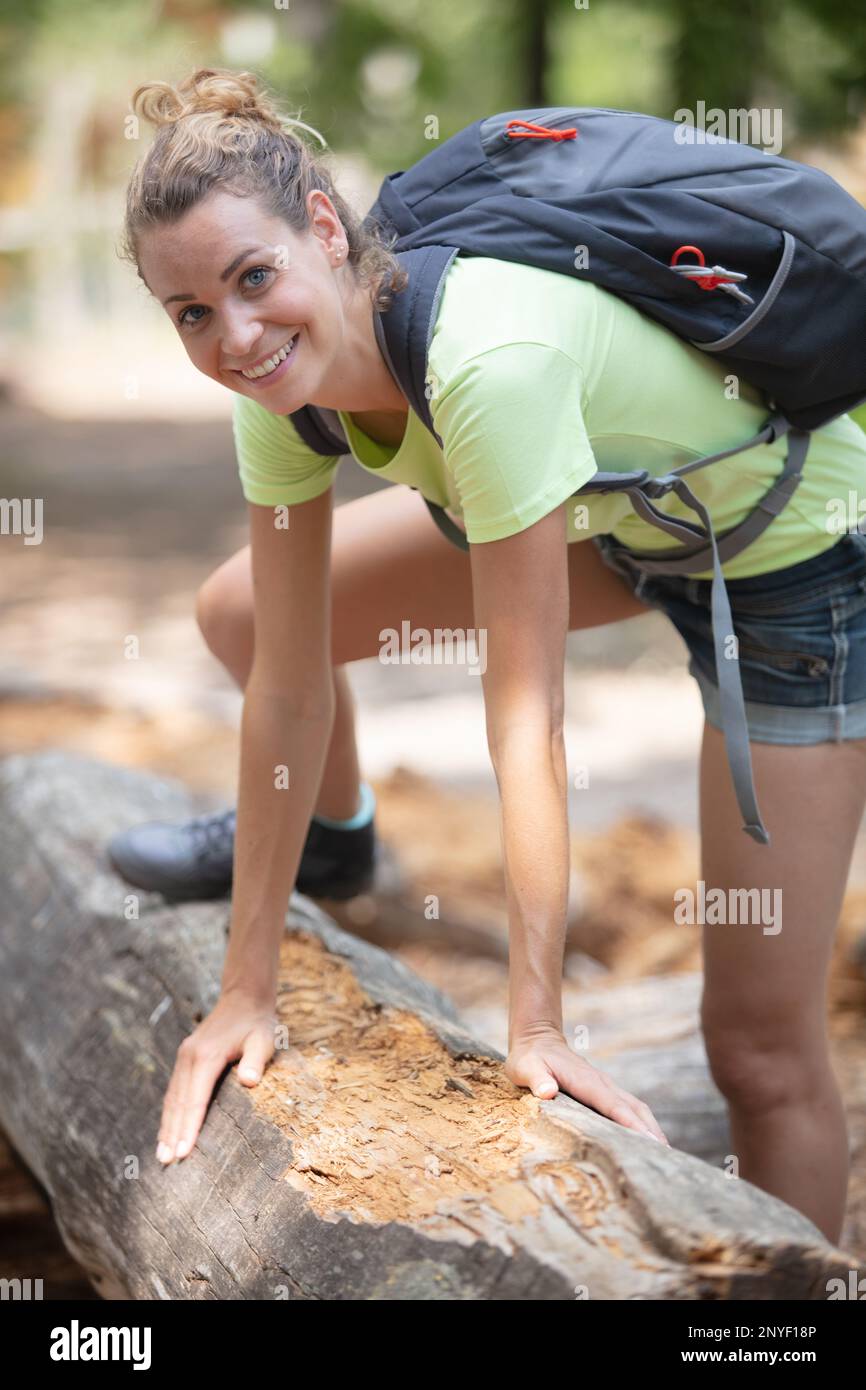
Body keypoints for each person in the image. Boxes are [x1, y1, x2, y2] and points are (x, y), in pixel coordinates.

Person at [114, 66, 866, 1244]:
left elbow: (526, 721)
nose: (236, 336)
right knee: (247, 616)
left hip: (790, 554)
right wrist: (243, 989)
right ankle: (337, 837)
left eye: (253, 279)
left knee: (758, 1050)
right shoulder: (272, 390)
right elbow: (287, 686)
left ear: (324, 228)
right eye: (192, 312)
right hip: (614, 515)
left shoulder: (485, 361)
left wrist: (536, 1026)